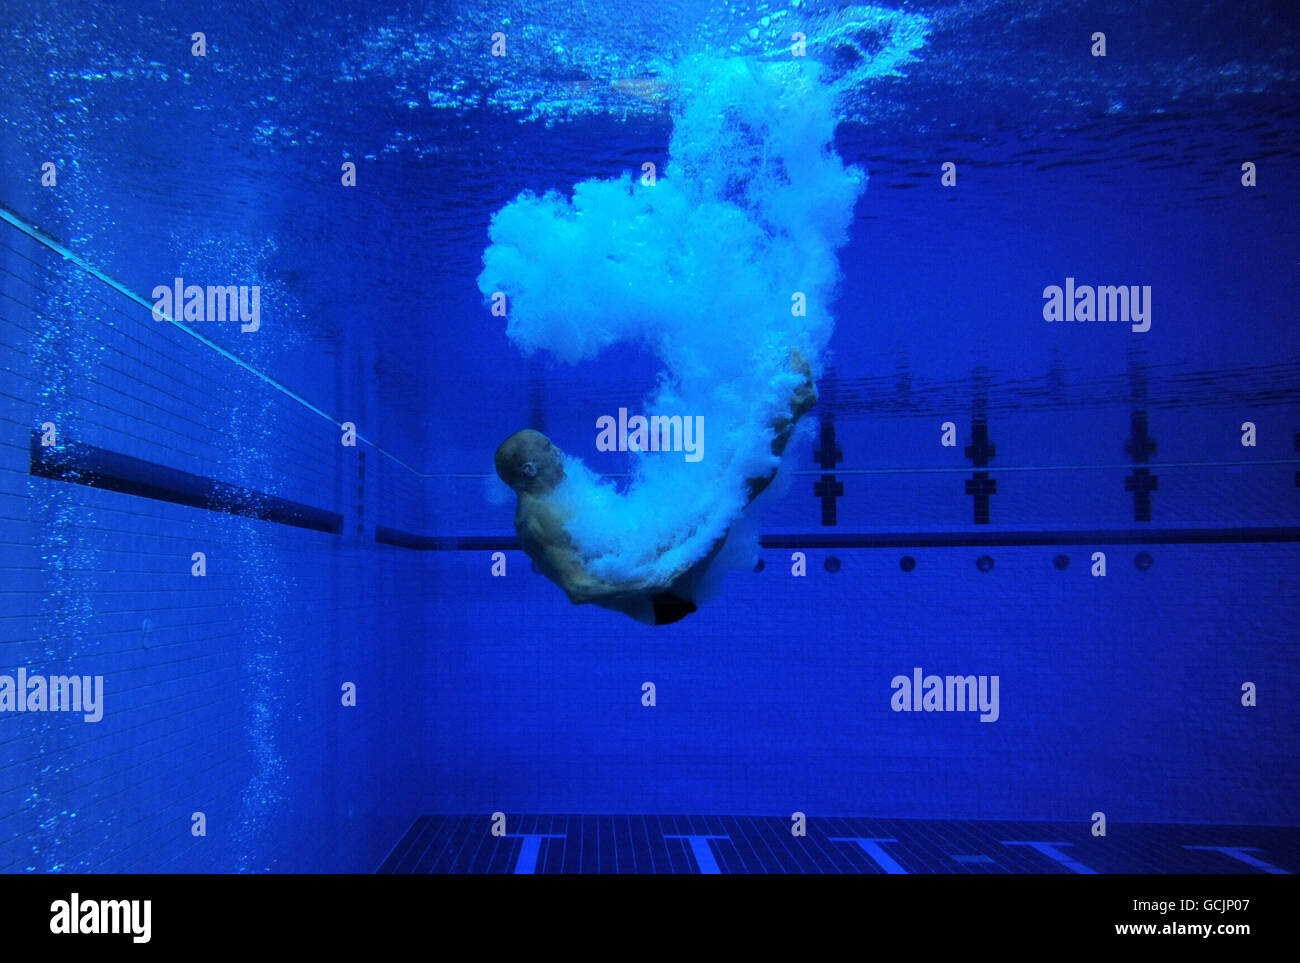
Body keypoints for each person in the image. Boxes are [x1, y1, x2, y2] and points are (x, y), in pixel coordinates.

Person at [494, 352, 817, 625]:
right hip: (662, 598)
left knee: (720, 479)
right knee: (733, 493)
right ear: (529, 469)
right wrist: (653, 579)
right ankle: (795, 402)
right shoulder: (536, 519)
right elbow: (578, 589)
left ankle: (771, 399)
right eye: (548, 448)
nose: (559, 451)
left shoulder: (552, 495)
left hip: (654, 571)